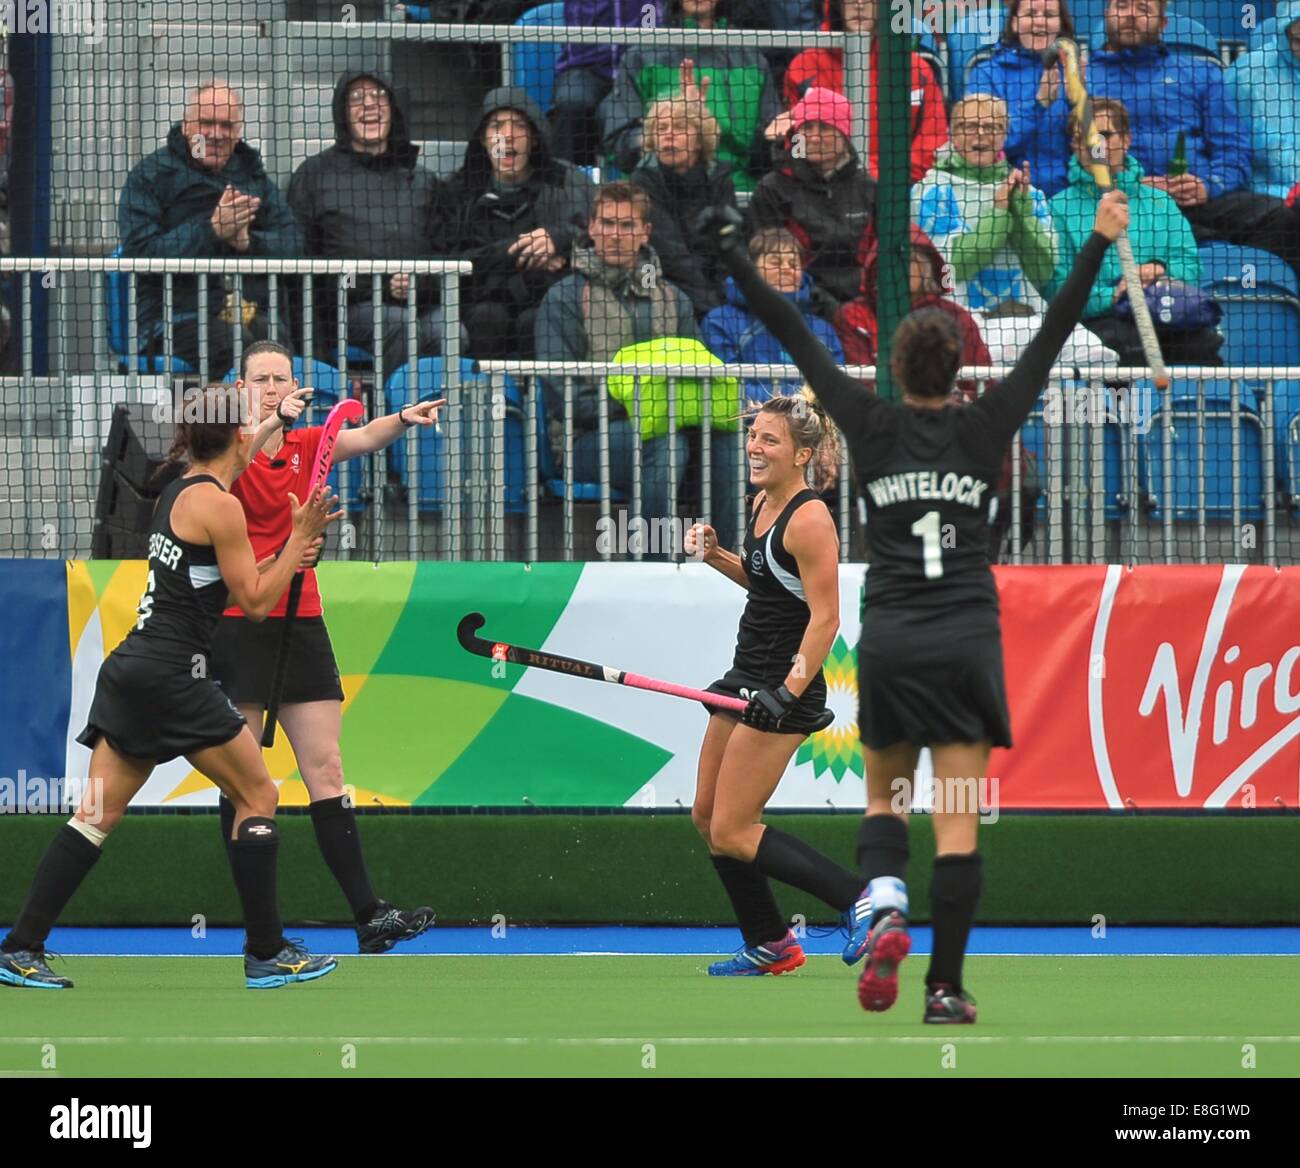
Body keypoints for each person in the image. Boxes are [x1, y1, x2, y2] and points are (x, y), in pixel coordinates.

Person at [698, 185, 1130, 1021]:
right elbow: (1047, 340)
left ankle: (883, 902)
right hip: (966, 649)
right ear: (959, 372)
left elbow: (792, 332)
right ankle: (944, 989)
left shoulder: (869, 423)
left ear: (894, 370)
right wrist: (1099, 242)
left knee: (885, 801)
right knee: (958, 821)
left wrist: (728, 248)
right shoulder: (988, 423)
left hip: (894, 648)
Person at [0, 382, 341, 989]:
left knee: (95, 815)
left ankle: (19, 947)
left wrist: (289, 551)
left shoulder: (183, 487)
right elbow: (258, 604)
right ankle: (266, 953)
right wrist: (295, 539)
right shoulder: (221, 504)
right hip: (174, 674)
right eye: (250, 425)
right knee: (258, 796)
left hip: (133, 668)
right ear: (239, 436)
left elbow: (237, 580)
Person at [207, 340, 443, 954]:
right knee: (245, 781)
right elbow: (233, 472)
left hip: (300, 617)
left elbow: (359, 438)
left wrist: (403, 418)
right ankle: (262, 928)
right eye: (260, 379)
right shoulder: (227, 449)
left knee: (328, 770)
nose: (272, 387)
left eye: (281, 379)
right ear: (239, 387)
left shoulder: (309, 444)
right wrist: (266, 426)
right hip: (239, 617)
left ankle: (369, 916)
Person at [684, 393, 877, 977]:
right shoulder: (762, 503)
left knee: (735, 830)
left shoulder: (811, 517)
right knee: (707, 817)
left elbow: (826, 617)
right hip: (747, 673)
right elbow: (769, 587)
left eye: (770, 440)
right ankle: (770, 941)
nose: (755, 447)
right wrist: (718, 556)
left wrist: (789, 691)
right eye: (754, 437)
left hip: (785, 685)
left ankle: (859, 898)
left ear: (803, 455)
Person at [534, 182, 741, 551]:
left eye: (627, 225)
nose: (616, 235)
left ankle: (724, 563)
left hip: (670, 424)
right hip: (585, 441)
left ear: (645, 231)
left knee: (728, 444)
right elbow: (564, 395)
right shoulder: (563, 297)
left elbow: (701, 373)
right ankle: (651, 566)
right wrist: (644, 406)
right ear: (592, 228)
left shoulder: (674, 298)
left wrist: (663, 407)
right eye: (608, 224)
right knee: (665, 444)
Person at [1090, 0, 1300, 285]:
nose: (1131, 16)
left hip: (1200, 202)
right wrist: (1132, 184)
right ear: (1106, 16)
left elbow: (1234, 150)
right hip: (1125, 204)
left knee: (1279, 218)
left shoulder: (1201, 74)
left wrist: (1206, 185)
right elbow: (1078, 153)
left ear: (1163, 24)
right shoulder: (1084, 80)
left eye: (1143, 9)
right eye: (1122, 6)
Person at [912, 93, 1116, 368]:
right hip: (958, 320)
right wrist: (1000, 213)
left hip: (1027, 318)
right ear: (953, 133)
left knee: (1095, 353)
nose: (980, 136)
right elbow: (951, 267)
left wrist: (1020, 213)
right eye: (969, 126)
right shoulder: (930, 191)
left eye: (992, 127)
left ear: (1005, 134)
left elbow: (1043, 271)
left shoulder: (1029, 194)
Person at [119, 82, 300, 380]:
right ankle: (229, 425)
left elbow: (294, 244)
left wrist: (247, 243)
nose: (216, 134)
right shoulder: (152, 175)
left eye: (226, 125)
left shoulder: (253, 177)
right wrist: (211, 230)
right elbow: (140, 250)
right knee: (237, 346)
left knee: (274, 342)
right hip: (172, 319)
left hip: (247, 310)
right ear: (187, 125)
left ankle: (274, 425)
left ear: (238, 131)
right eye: (207, 123)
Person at [288, 72, 452, 379]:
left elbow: (447, 251)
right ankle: (398, 422)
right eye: (356, 99)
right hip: (346, 308)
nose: (369, 106)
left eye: (379, 96)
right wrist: (380, 284)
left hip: (421, 302)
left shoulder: (423, 180)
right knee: (399, 325)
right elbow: (301, 262)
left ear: (393, 108)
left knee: (449, 328)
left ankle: (444, 421)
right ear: (342, 113)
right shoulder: (315, 175)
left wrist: (420, 282)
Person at [1048, 99, 1220, 366]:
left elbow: (1190, 267)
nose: (1096, 146)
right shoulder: (1058, 209)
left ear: (1126, 140)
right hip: (1101, 321)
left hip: (1163, 309)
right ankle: (1127, 409)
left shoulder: (1160, 203)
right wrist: (1116, 295)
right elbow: (1058, 290)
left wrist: (1157, 270)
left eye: (1104, 135)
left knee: (1203, 345)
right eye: (1085, 137)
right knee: (1128, 344)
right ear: (1074, 145)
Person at [445, 87, 594, 359]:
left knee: (536, 320)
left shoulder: (568, 181)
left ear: (535, 139)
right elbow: (453, 258)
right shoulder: (458, 190)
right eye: (497, 126)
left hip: (545, 298)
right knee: (488, 318)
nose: (508, 135)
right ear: (483, 138)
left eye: (519, 126)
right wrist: (519, 250)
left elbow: (597, 234)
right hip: (482, 301)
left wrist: (559, 240)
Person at [600, 0, 782, 192]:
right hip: (658, 192)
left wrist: (771, 139)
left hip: (737, 190)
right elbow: (620, 144)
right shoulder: (641, 56)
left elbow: (768, 152)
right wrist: (670, 133)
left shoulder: (754, 60)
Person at [776, 0, 948, 184]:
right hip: (820, 194)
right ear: (836, 5)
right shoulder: (803, 67)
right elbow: (794, 144)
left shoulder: (916, 71)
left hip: (896, 194)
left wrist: (871, 179)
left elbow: (931, 145)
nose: (859, 4)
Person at [749, 86, 876, 312]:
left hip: (864, 305)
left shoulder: (870, 189)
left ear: (844, 135)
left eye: (826, 128)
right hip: (799, 307)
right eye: (807, 128)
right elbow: (769, 263)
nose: (815, 137)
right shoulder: (773, 189)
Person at [702, 227, 845, 404]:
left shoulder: (823, 330)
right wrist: (794, 402)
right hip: (749, 425)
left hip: (811, 426)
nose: (786, 269)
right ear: (752, 268)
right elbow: (729, 388)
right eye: (776, 262)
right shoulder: (720, 321)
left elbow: (836, 389)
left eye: (793, 264)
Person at [630, 95, 739, 318]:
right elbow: (669, 254)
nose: (668, 134)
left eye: (679, 127)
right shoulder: (643, 182)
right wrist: (713, 306)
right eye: (661, 128)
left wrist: (724, 296)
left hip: (716, 289)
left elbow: (729, 246)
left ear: (699, 140)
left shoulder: (720, 180)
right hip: (664, 283)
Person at [966, 0, 1081, 199]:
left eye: (1049, 15)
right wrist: (1039, 105)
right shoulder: (987, 74)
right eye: (1030, 14)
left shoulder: (1076, 73)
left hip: (1069, 200)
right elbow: (985, 144)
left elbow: (1099, 151)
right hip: (1007, 195)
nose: (1040, 22)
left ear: (1060, 24)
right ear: (1014, 23)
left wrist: (1079, 106)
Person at [551, 0, 667, 166]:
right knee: (572, 102)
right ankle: (568, 184)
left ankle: (643, 185)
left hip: (641, 68)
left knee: (626, 116)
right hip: (586, 68)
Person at [1225, 1, 1300, 201]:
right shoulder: (1246, 74)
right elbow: (1225, 146)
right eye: (1299, 40)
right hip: (1268, 199)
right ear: (1284, 35)